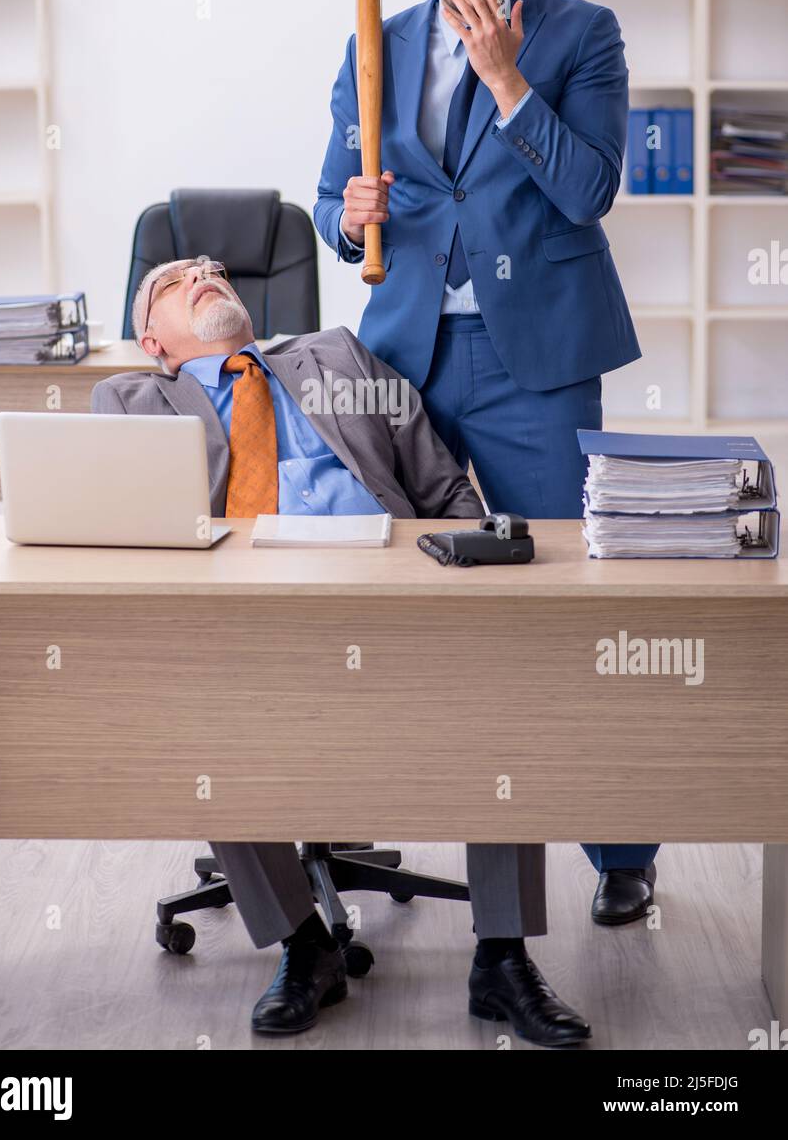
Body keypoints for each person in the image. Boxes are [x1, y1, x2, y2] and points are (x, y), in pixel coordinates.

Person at [92, 255, 591, 1046]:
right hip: (242, 625)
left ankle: (501, 957)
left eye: (213, 268)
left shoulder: (336, 355)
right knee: (202, 726)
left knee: (503, 708)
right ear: (151, 339)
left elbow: (441, 490)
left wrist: (473, 582)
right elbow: (122, 538)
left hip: (387, 597)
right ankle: (304, 946)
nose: (206, 272)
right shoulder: (130, 401)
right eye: (178, 277)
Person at [313, 0, 658, 927]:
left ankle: (620, 847)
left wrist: (507, 75)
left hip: (539, 360)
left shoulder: (578, 33)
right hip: (403, 359)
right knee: (391, 607)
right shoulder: (377, 42)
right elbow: (331, 198)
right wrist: (352, 210)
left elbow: (591, 189)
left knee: (564, 606)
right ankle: (373, 813)